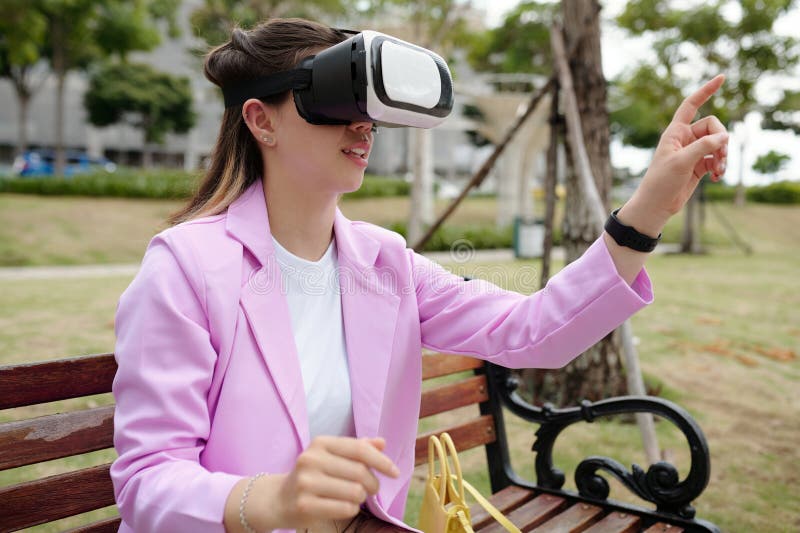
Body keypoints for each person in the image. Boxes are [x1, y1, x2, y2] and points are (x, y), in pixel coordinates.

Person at [110, 17, 729, 533]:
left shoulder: (385, 261)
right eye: (334, 101)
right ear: (261, 121)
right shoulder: (186, 268)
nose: (363, 126)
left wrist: (650, 208)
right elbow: (146, 480)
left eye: (369, 109)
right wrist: (268, 500)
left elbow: (534, 328)